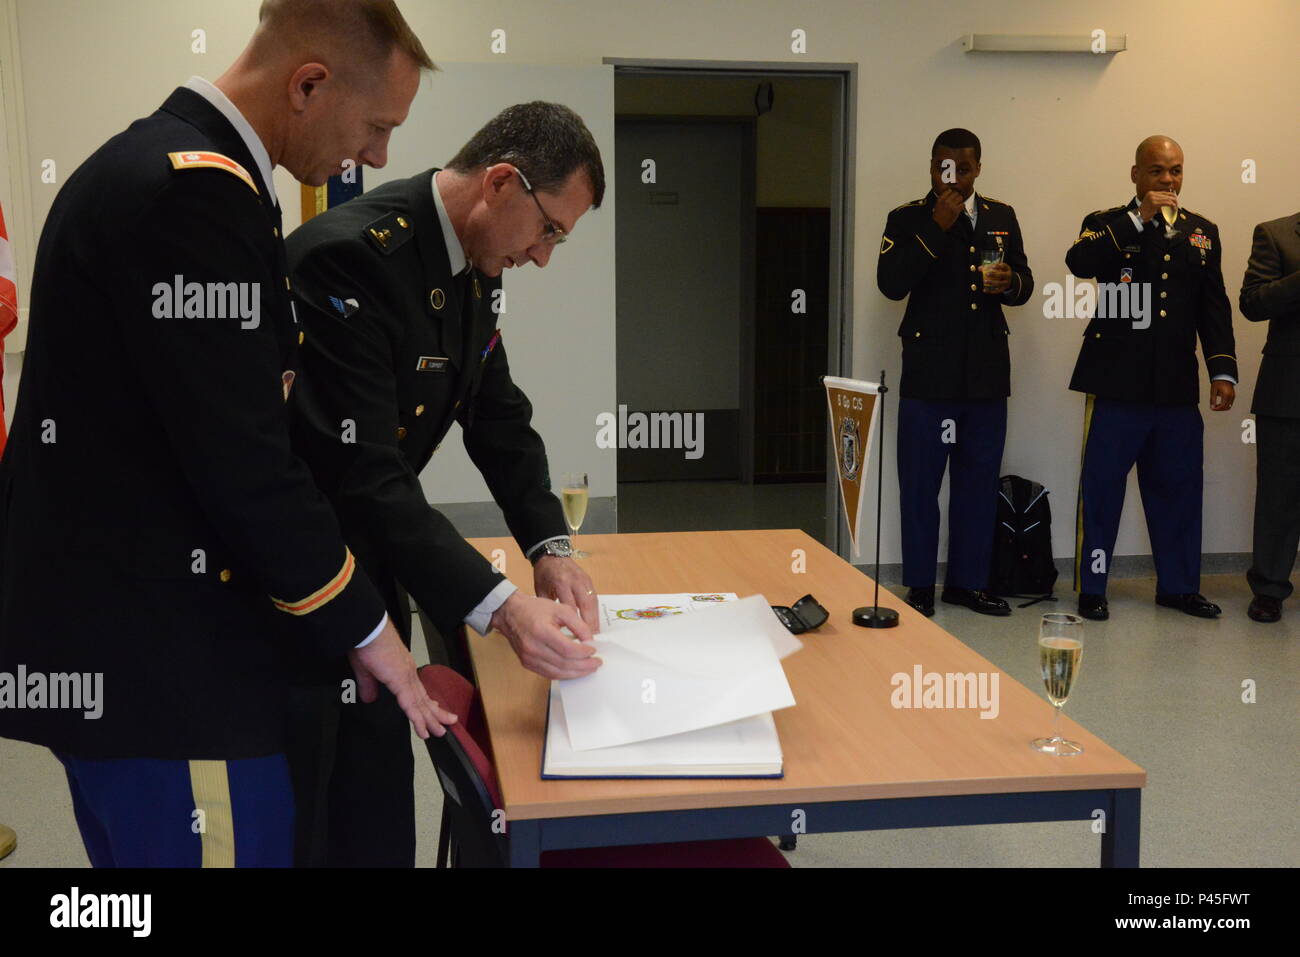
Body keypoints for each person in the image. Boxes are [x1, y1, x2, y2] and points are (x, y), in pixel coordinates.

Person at [0, 0, 452, 868]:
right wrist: (371, 634)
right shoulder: (194, 200)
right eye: (377, 125)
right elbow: (246, 465)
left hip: (123, 660)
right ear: (309, 84)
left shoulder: (165, 167)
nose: (379, 156)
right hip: (170, 679)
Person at [284, 102, 605, 866]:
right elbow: (367, 479)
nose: (545, 257)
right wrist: (503, 609)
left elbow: (496, 415)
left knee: (378, 807)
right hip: (301, 589)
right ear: (502, 183)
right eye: (550, 231)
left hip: (376, 567)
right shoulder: (351, 259)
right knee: (314, 815)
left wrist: (550, 545)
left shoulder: (473, 265)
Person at [1065, 135, 1237, 622]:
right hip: (1117, 384)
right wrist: (1138, 218)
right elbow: (1079, 264)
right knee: (1102, 491)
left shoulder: (1202, 232)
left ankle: (1179, 587)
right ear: (1136, 174)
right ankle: (1093, 586)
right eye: (1158, 171)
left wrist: (1222, 369)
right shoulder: (1105, 225)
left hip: (1175, 386)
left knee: (1180, 490)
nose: (1168, 180)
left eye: (1176, 170)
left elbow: (1213, 306)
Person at [877, 128, 1034, 618]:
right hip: (929, 376)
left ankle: (967, 583)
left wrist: (1012, 285)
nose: (953, 177)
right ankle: (921, 584)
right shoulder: (907, 218)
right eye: (944, 167)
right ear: (931, 167)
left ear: (978, 168)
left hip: (985, 375)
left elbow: (1025, 283)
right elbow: (890, 284)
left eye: (963, 169)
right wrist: (935, 227)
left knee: (977, 484)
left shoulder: (1001, 216)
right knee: (921, 485)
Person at [1240, 211, 1300, 623]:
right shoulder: (1275, 234)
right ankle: (1269, 590)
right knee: (1279, 494)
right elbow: (1252, 303)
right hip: (1287, 388)